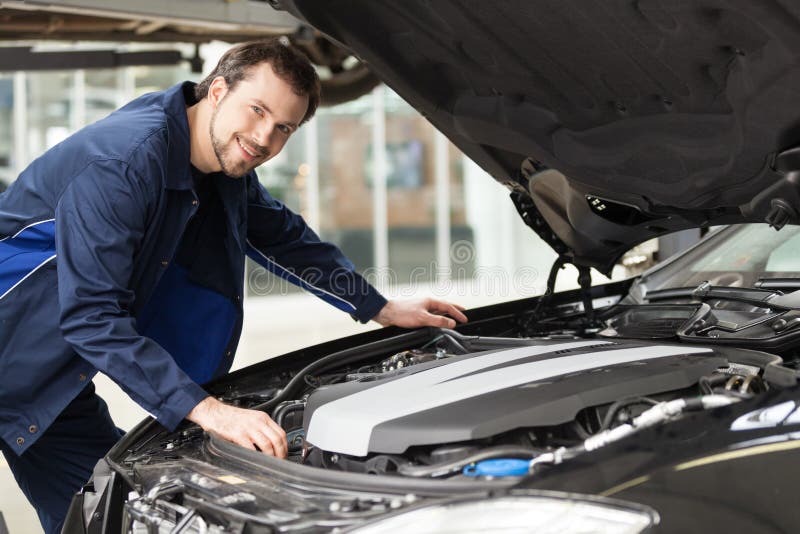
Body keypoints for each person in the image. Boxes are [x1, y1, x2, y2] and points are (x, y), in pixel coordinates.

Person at [0, 39, 467, 533]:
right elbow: (92, 317)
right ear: (218, 89)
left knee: (115, 515)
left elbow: (285, 239)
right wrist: (208, 411)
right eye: (258, 110)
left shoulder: (220, 165)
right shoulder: (125, 165)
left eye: (283, 127)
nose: (264, 138)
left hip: (44, 382)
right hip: (24, 356)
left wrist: (380, 307)